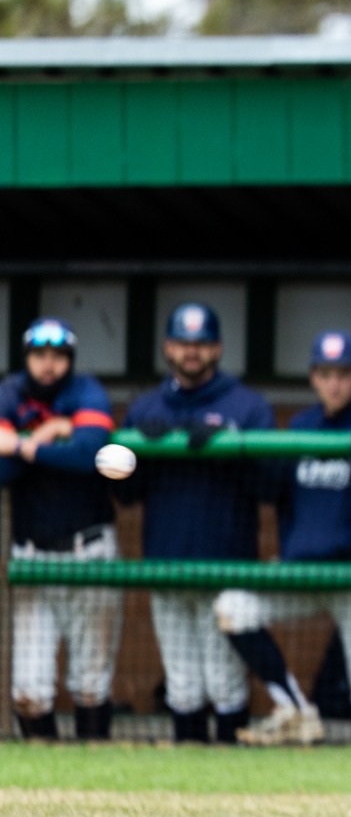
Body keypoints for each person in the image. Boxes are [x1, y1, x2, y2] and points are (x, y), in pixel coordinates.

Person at [220, 331, 351, 746]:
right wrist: (229, 444)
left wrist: (322, 551)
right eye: (325, 374)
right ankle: (297, 711)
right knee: (233, 608)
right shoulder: (302, 426)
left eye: (343, 374)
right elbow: (276, 493)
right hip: (305, 571)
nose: (334, 384)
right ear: (313, 378)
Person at [122, 302, 275, 744]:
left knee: (224, 679)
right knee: (183, 681)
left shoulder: (247, 406)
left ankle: (230, 771)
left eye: (202, 344)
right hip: (166, 563)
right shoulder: (146, 407)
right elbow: (125, 494)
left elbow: (271, 485)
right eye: (183, 343)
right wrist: (139, 454)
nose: (192, 352)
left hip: (226, 564)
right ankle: (188, 772)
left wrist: (230, 446)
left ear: (218, 348)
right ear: (168, 348)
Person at [0, 318, 120, 739]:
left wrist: (25, 444)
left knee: (91, 683)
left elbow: (91, 454)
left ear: (68, 359)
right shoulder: (10, 392)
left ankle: (95, 776)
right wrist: (52, 435)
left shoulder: (85, 390)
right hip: (33, 557)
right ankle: (51, 775)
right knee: (28, 690)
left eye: (57, 356)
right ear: (27, 358)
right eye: (39, 356)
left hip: (90, 550)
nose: (48, 365)